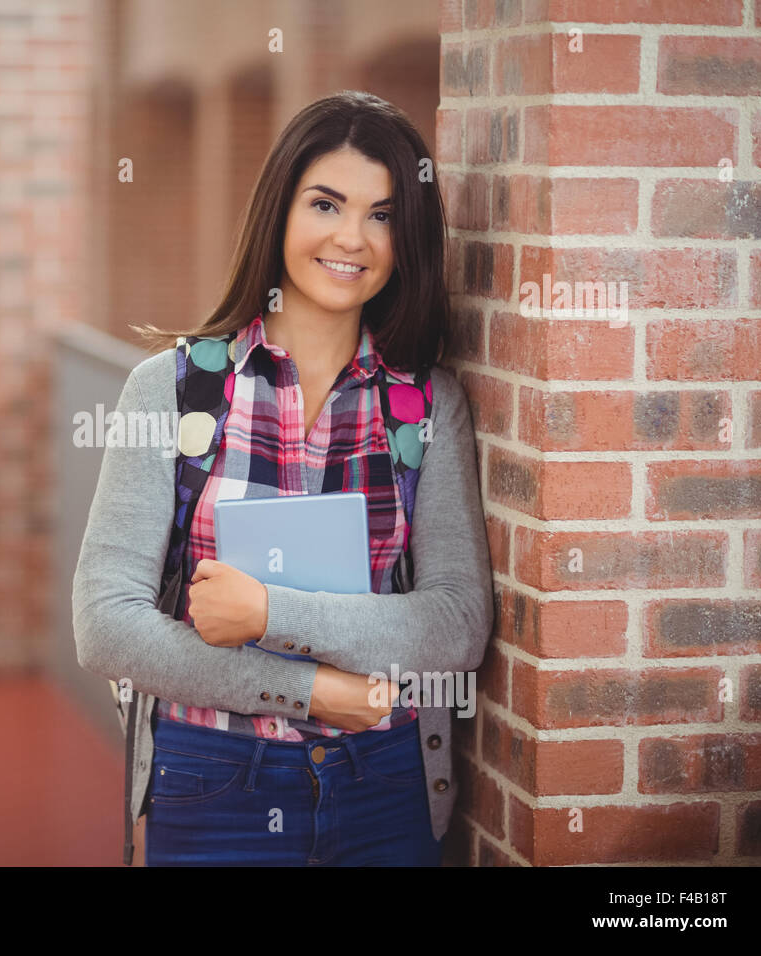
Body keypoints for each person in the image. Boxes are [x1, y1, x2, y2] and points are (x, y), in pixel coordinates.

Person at [72, 91, 494, 866]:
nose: (351, 237)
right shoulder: (169, 391)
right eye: (326, 204)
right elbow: (106, 624)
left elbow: (458, 623)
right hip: (212, 781)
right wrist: (309, 692)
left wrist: (266, 611)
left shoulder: (427, 407)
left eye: (383, 215)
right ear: (280, 211)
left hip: (386, 785)